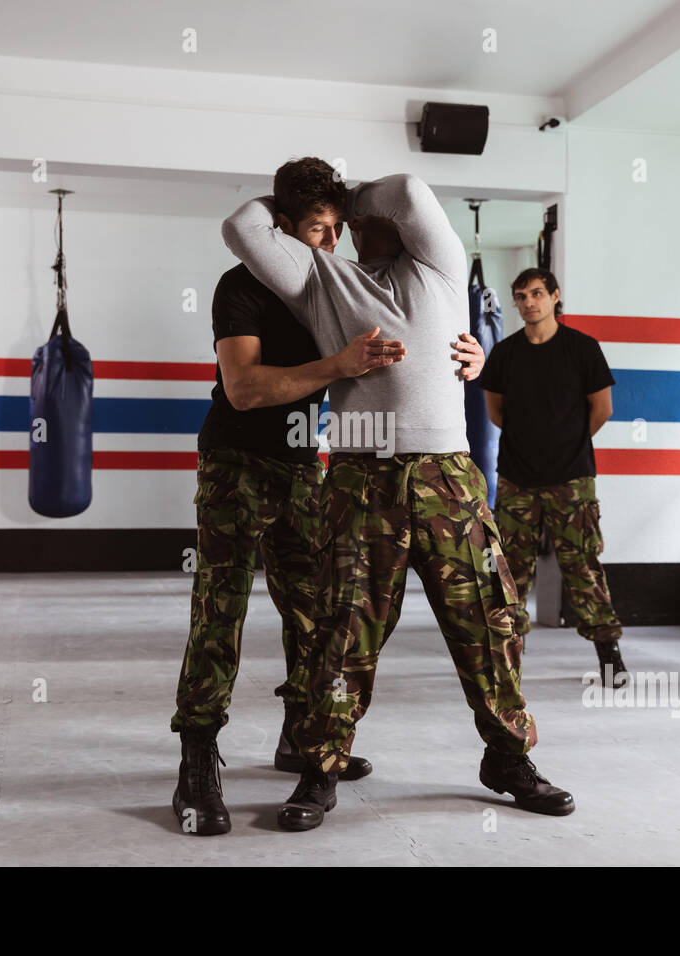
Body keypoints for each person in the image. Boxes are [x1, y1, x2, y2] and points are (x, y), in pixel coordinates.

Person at [222, 160, 576, 831]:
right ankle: (320, 767)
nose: (362, 224)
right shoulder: (320, 280)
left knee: (490, 622)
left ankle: (508, 757)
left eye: (359, 214)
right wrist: (312, 201)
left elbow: (410, 190)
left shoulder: (439, 265)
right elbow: (241, 226)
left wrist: (347, 194)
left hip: (449, 475)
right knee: (340, 628)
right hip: (362, 476)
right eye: (343, 222)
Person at [172, 160, 485, 836]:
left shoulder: (336, 282)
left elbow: (420, 336)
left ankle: (300, 738)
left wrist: (469, 351)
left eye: (339, 229)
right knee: (220, 612)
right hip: (236, 461)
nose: (331, 243)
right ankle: (198, 760)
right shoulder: (245, 284)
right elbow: (245, 390)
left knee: (318, 617)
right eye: (316, 228)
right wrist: (336, 367)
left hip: (304, 466)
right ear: (283, 227)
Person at [479, 268, 629, 687]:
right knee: (510, 573)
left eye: (537, 293)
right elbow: (496, 413)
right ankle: (509, 662)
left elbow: (602, 410)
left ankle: (609, 655)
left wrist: (565, 445)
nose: (529, 302)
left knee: (582, 566)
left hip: (572, 479)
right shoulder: (505, 354)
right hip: (516, 478)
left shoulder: (582, 349)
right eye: (522, 296)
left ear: (555, 297)